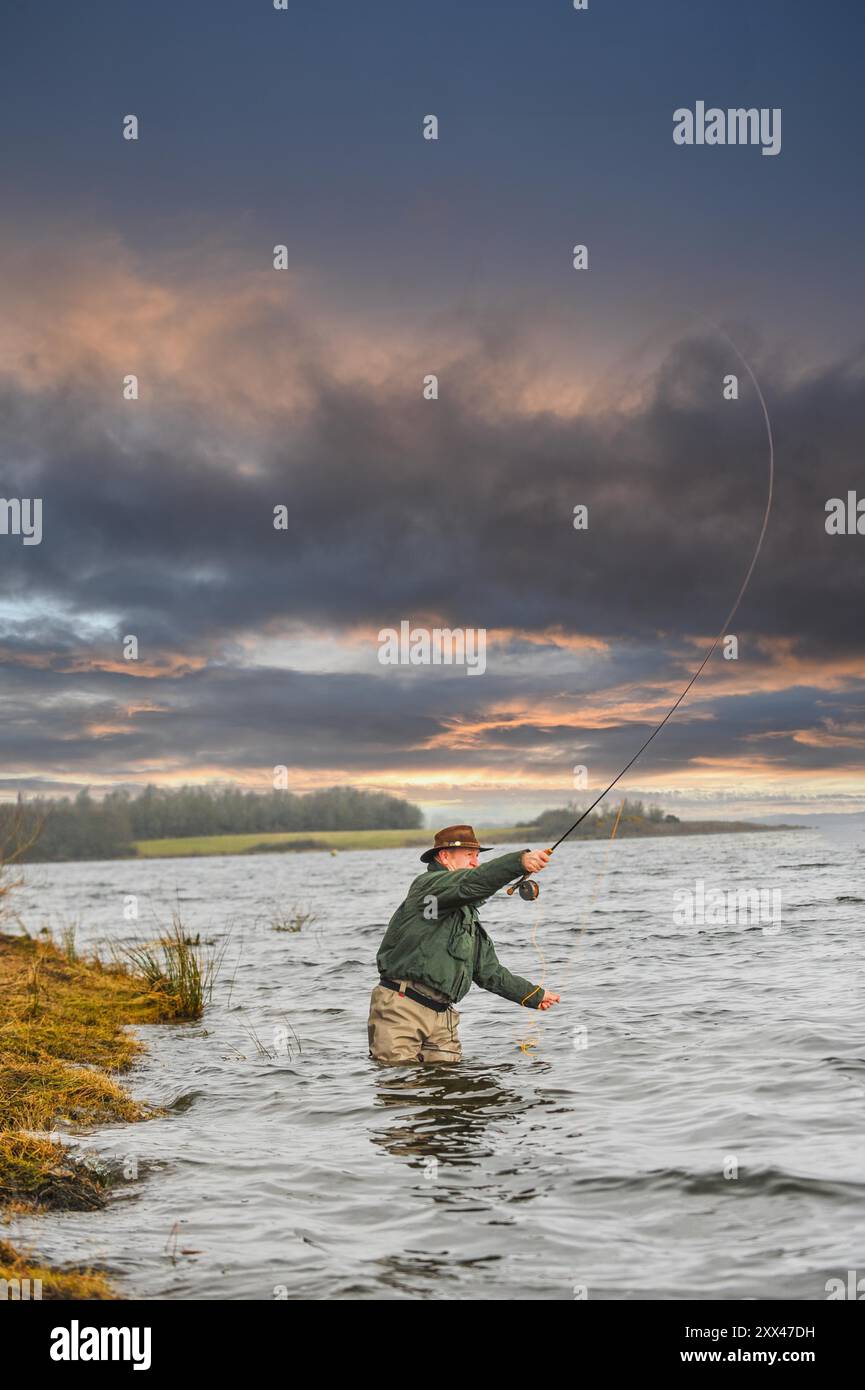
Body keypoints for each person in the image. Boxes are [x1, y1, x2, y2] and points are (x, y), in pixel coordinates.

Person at [368, 824, 561, 1064]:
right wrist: (519, 862)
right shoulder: (428, 887)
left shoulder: (465, 914)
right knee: (400, 1090)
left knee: (453, 1091)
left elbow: (488, 972)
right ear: (444, 856)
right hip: (402, 1009)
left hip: (443, 1018)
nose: (475, 862)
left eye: (477, 856)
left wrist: (534, 995)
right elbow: (472, 882)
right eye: (469, 855)